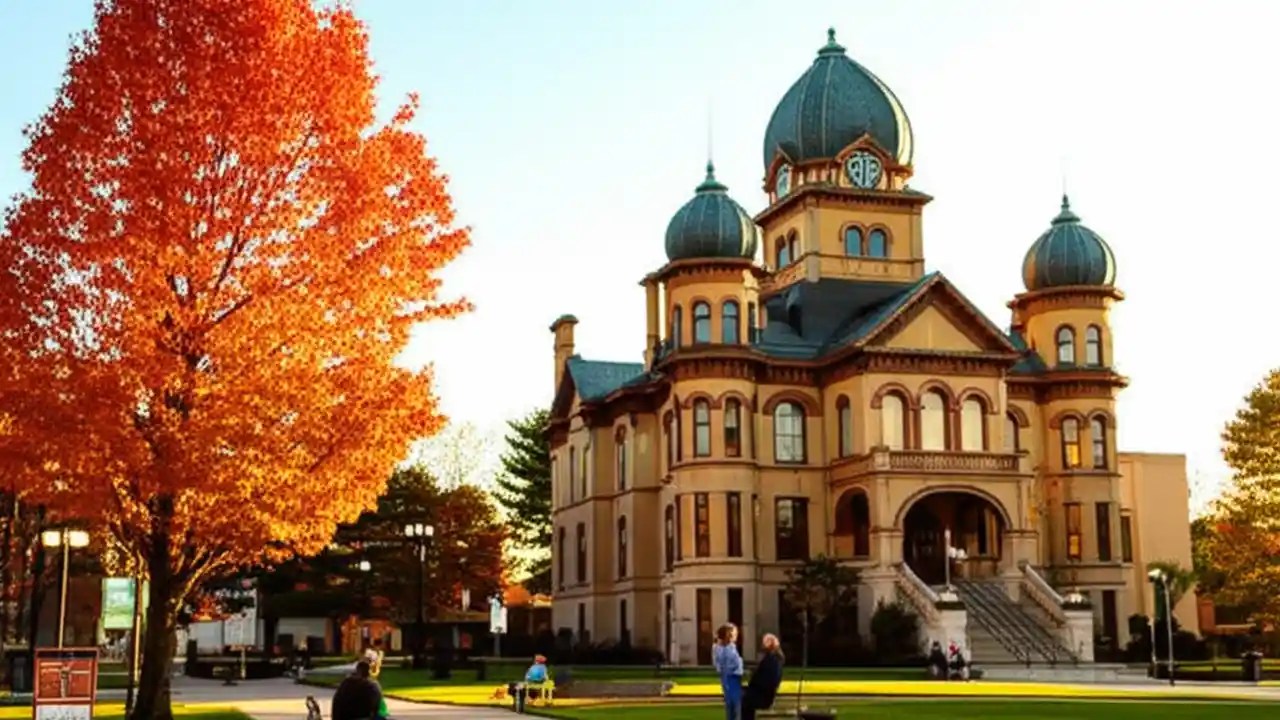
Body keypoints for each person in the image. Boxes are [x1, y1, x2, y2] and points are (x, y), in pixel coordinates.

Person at [742, 633, 785, 720]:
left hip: (763, 696)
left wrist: (754, 680)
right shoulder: (772, 658)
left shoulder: (773, 660)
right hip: (761, 693)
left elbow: (768, 680)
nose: (763, 645)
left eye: (765, 643)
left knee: (743, 700)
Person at [713, 623, 744, 720]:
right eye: (734, 633)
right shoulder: (723, 648)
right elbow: (725, 664)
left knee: (733, 705)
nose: (736, 635)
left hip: (732, 677)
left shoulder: (729, 646)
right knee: (734, 704)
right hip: (731, 677)